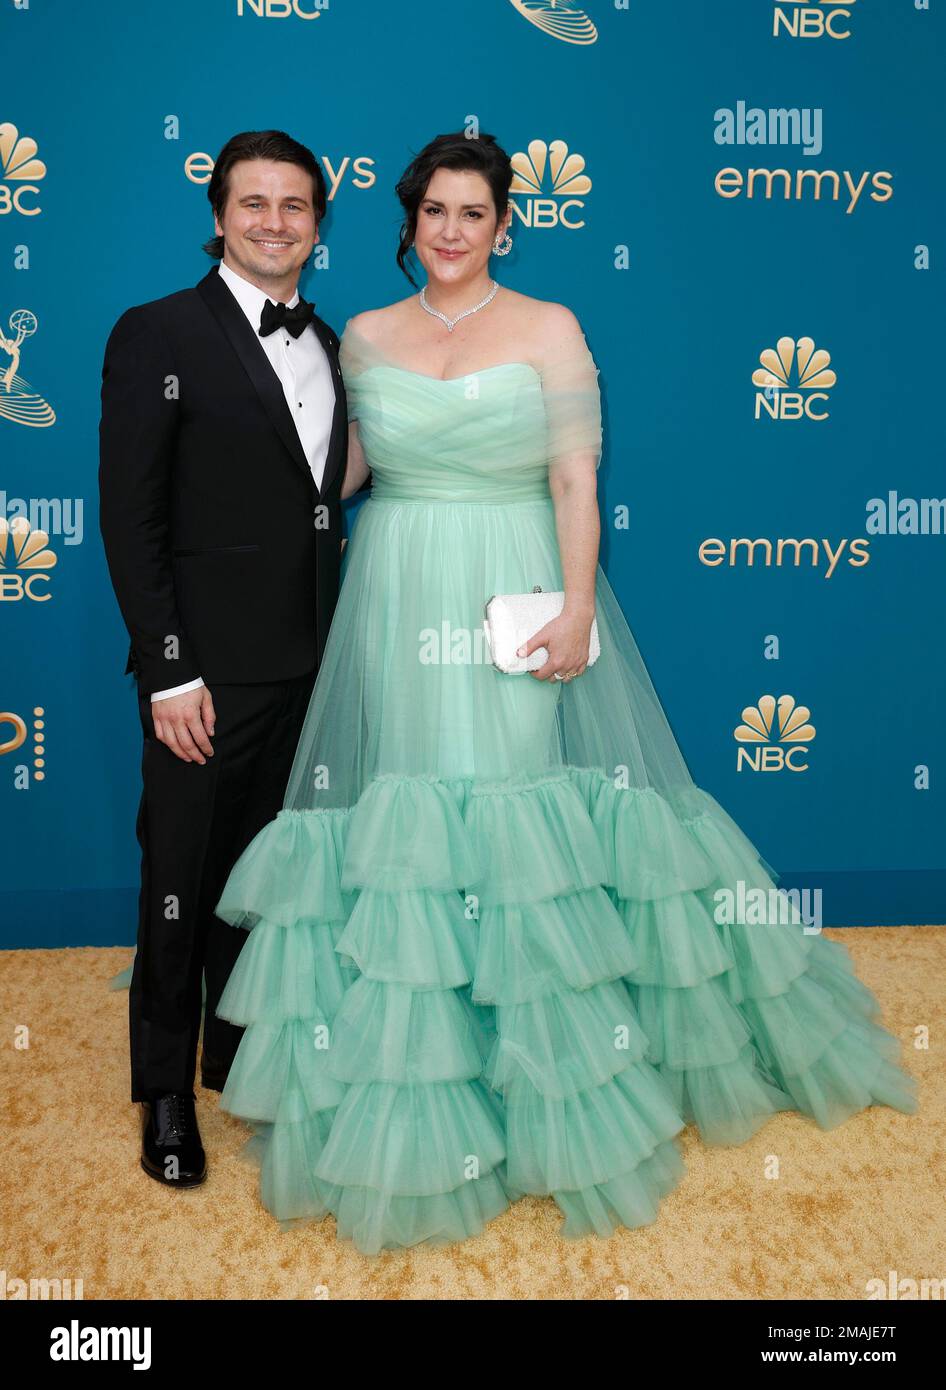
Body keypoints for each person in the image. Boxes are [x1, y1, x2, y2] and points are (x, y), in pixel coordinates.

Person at [212, 131, 918, 1255]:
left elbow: (574, 477)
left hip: (514, 586)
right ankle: (424, 1079)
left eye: (473, 214)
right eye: (433, 212)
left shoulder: (549, 328)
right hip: (395, 588)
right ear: (407, 226)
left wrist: (577, 605)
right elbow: (340, 473)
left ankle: (550, 1087)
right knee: (408, 813)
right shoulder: (367, 340)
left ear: (505, 225)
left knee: (515, 806)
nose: (451, 231)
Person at [98, 130, 359, 1189]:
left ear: (317, 224)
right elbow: (130, 518)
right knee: (178, 877)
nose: (272, 222)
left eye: (293, 206)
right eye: (252, 203)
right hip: (202, 671)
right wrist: (168, 669)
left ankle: (234, 1054)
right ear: (218, 214)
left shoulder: (332, 340)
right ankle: (163, 1090)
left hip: (309, 662)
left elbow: (316, 497)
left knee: (263, 880)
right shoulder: (155, 331)